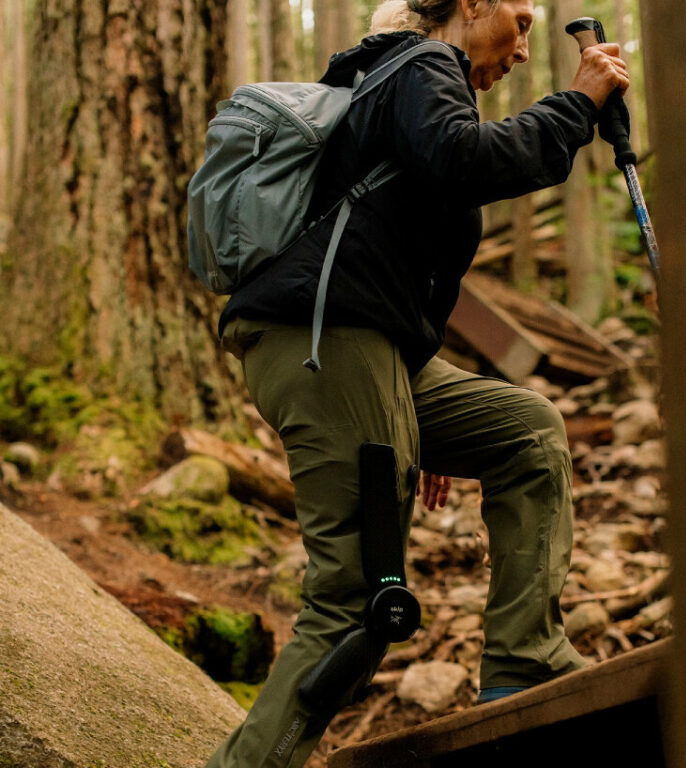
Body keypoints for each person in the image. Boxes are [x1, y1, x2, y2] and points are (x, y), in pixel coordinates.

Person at [205, 1, 630, 766]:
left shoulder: (398, 88)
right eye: (522, 21)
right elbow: (465, 159)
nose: (526, 49)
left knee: (526, 431)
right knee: (356, 607)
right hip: (327, 340)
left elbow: (399, 258)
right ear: (469, 6)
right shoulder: (420, 62)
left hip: (363, 348)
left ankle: (523, 656)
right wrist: (577, 106)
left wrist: (412, 405)